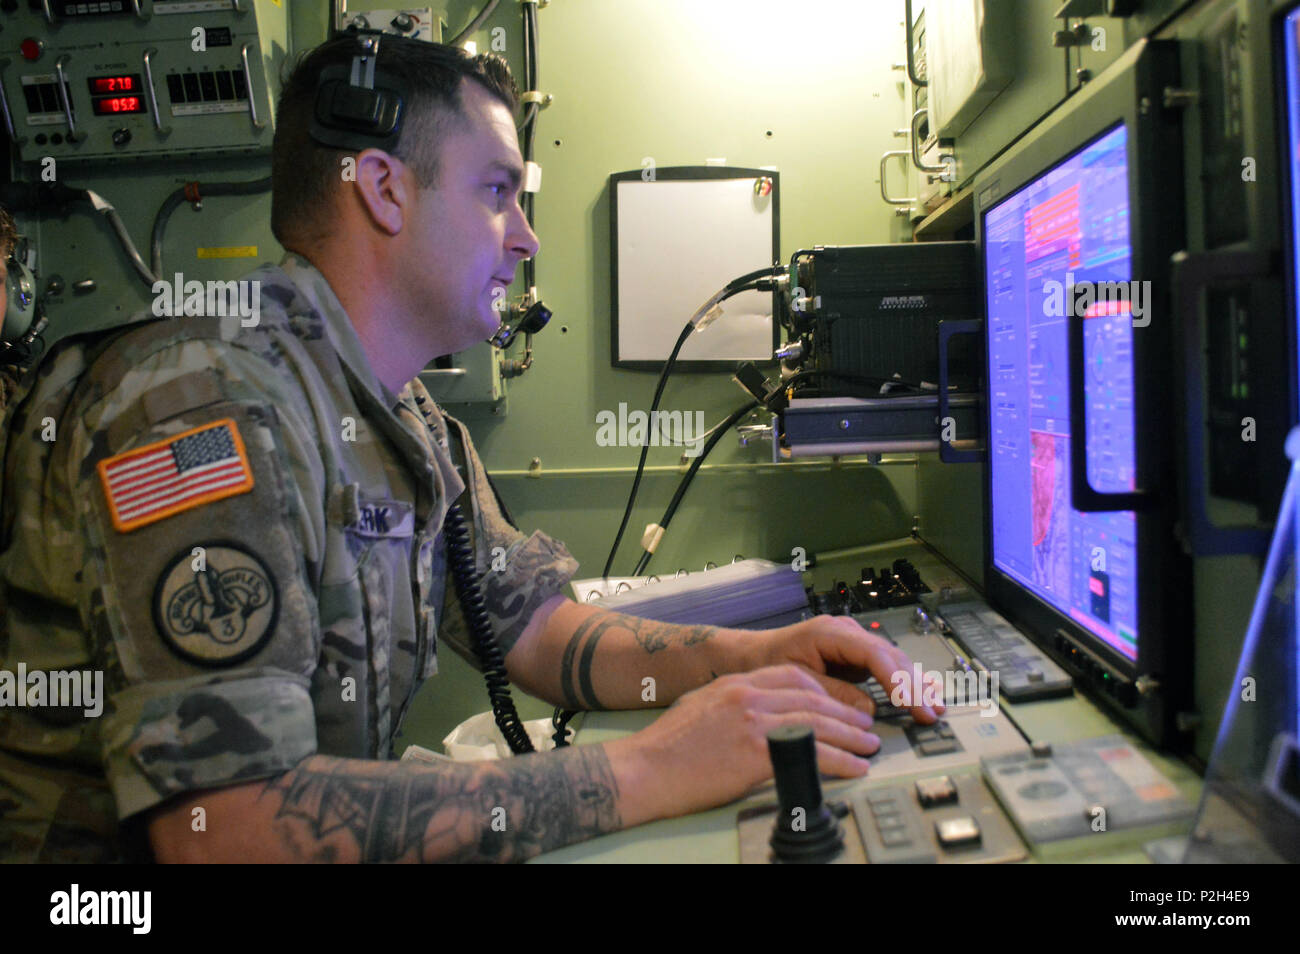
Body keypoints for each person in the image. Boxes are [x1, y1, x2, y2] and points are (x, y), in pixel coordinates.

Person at [0, 36, 941, 864]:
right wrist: (656, 765)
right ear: (382, 189)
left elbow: (535, 631)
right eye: (498, 192)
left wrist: (755, 656)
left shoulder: (406, 417)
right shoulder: (199, 401)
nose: (525, 239)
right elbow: (228, 831)